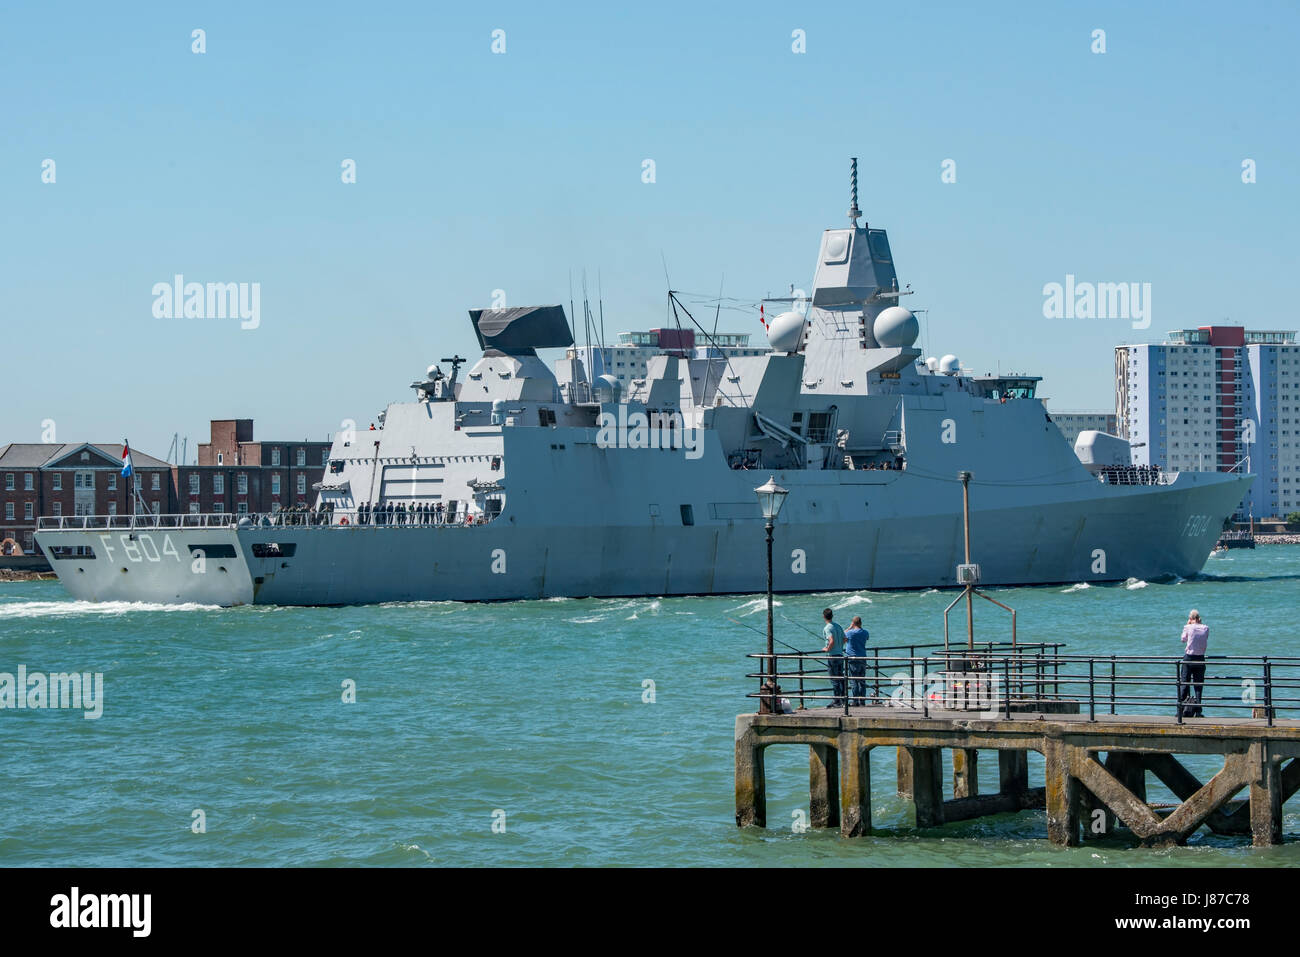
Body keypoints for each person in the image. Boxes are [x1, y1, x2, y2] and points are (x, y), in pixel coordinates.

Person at [1178, 609, 1209, 718]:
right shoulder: (1205, 628)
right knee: (1198, 685)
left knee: (1184, 683)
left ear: (1191, 619)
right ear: (1199, 618)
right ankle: (1198, 711)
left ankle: (1180, 710)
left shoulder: (1188, 627)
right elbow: (1205, 638)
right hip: (1200, 658)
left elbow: (1183, 639)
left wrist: (1187, 625)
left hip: (1189, 658)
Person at [821, 608, 847, 708]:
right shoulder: (838, 626)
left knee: (834, 679)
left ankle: (837, 701)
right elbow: (845, 639)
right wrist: (839, 646)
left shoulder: (828, 628)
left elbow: (831, 640)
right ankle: (844, 699)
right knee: (841, 678)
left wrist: (827, 649)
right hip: (840, 655)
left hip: (832, 656)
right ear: (832, 616)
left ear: (824, 616)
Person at [844, 615, 870, 706]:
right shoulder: (865, 632)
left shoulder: (850, 633)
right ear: (861, 623)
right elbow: (866, 638)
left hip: (852, 658)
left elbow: (842, 637)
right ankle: (862, 701)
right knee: (862, 680)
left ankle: (855, 701)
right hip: (862, 657)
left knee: (853, 680)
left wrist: (849, 627)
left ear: (853, 623)